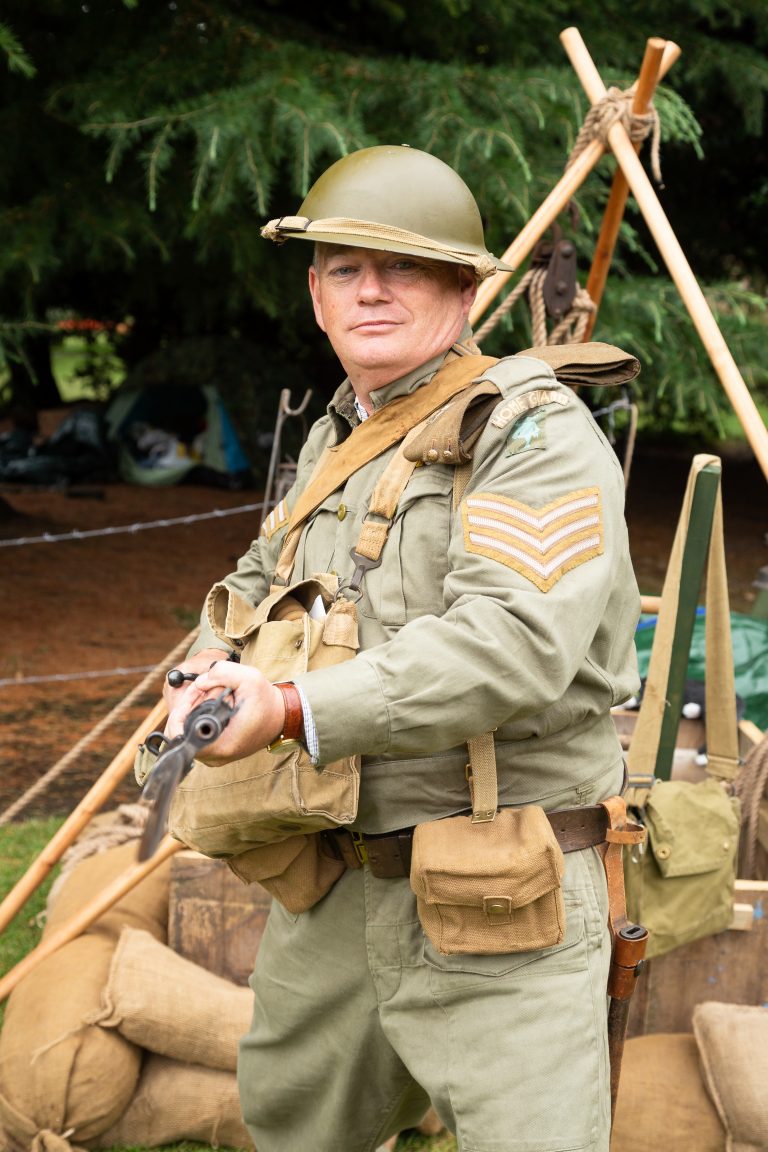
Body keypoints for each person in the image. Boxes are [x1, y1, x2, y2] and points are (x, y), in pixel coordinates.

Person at [164, 144, 641, 1152]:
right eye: (346, 268)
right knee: (294, 1132)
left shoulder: (532, 436)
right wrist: (209, 671)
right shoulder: (342, 430)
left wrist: (294, 711)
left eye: (404, 268)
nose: (371, 291)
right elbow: (254, 588)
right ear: (315, 292)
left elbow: (514, 643)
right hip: (333, 884)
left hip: (505, 899)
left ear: (464, 287)